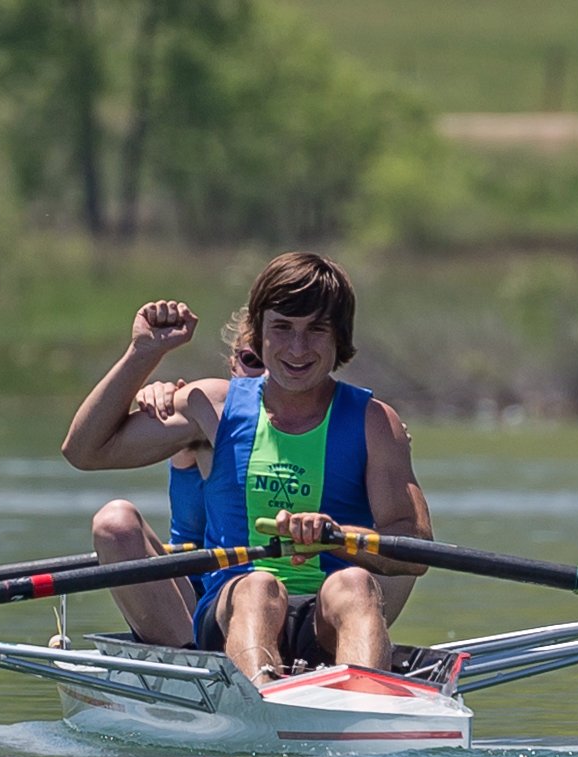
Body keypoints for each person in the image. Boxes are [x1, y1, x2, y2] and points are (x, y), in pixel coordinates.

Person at [63, 251, 430, 686]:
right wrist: (142, 355)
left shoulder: (374, 422)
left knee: (353, 584)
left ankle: (367, 709)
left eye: (316, 330)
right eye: (282, 329)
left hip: (327, 618)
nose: (297, 348)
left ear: (339, 337)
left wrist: (338, 537)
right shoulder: (213, 407)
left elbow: (415, 547)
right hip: (232, 608)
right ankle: (258, 704)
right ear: (258, 334)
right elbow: (85, 451)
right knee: (259, 587)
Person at [85, 309, 263, 647]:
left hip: (281, 593)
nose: (266, 375)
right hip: (194, 600)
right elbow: (84, 449)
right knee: (115, 523)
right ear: (234, 364)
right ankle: (192, 659)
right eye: (253, 360)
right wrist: (146, 365)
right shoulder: (205, 410)